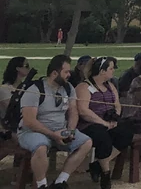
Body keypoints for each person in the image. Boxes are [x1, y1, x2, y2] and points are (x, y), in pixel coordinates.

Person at [17, 54, 94, 189]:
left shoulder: (68, 88)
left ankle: (60, 182)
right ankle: (42, 185)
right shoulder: (35, 90)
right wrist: (53, 135)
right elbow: (29, 121)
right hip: (32, 131)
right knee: (40, 146)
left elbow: (73, 112)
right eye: (65, 72)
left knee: (86, 142)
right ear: (54, 73)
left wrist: (69, 131)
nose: (69, 74)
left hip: (60, 130)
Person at [77, 57, 134, 189]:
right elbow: (83, 110)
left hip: (109, 121)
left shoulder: (110, 85)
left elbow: (117, 104)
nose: (113, 71)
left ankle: (98, 165)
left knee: (126, 132)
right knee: (103, 138)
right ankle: (106, 173)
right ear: (102, 71)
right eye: (111, 68)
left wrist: (115, 118)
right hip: (90, 123)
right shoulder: (84, 87)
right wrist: (103, 123)